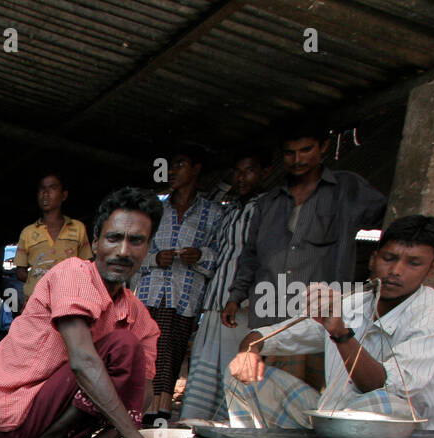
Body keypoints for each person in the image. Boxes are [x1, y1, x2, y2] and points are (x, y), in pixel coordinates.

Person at [0, 187, 181, 438]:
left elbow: (142, 392)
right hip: (10, 418)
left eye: (135, 241)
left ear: (147, 247)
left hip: (54, 423)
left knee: (127, 353)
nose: (123, 251)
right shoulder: (72, 273)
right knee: (121, 347)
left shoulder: (138, 314)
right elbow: (82, 362)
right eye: (113, 238)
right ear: (95, 243)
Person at [226, 215, 434, 431]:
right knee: (239, 375)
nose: (395, 271)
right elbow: (273, 335)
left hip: (407, 436)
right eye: (389, 258)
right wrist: (249, 349)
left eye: (413, 263)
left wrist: (341, 334)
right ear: (374, 259)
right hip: (337, 422)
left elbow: (381, 389)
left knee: (384, 403)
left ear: (432, 269)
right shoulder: (353, 303)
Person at [223, 116, 386, 391]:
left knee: (313, 398)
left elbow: (395, 218)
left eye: (306, 150)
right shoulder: (268, 203)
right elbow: (250, 256)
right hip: (270, 313)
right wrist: (235, 296)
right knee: (264, 395)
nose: (297, 159)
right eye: (289, 153)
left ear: (323, 147)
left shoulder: (347, 189)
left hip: (319, 319)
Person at [179, 147, 270, 421]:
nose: (242, 178)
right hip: (216, 300)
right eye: (238, 172)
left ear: (265, 173)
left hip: (243, 305)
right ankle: (197, 426)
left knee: (234, 367)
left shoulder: (267, 208)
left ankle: (231, 427)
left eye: (250, 171)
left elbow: (263, 256)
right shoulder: (229, 211)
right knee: (205, 368)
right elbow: (218, 253)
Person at [134, 144, 223, 417]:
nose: (172, 171)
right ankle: (141, 409)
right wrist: (154, 258)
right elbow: (136, 251)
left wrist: (199, 256)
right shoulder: (155, 211)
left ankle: (158, 411)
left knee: (171, 351)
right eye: (171, 166)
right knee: (146, 350)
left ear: (196, 170)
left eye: (180, 165)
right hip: (150, 293)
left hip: (184, 295)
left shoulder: (214, 213)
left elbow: (220, 255)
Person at [15, 173, 92, 300]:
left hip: (69, 302)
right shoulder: (28, 232)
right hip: (36, 303)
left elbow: (87, 266)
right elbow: (20, 272)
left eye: (52, 188)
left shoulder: (78, 228)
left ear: (63, 195)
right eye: (42, 189)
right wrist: (40, 279)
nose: (46, 193)